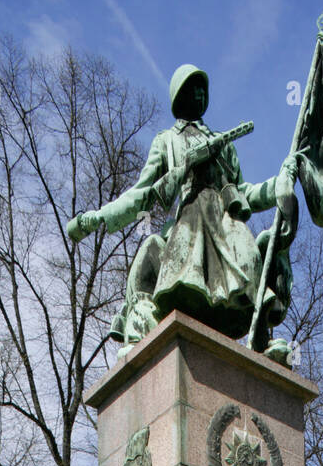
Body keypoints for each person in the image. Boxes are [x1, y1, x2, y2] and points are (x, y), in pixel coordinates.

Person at [69, 65, 296, 357]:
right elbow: (142, 194)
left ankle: (261, 337)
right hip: (190, 221)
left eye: (203, 88)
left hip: (226, 221)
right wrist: (98, 217)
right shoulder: (166, 140)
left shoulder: (224, 145)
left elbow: (245, 192)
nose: (200, 94)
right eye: (192, 88)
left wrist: (280, 183)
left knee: (251, 258)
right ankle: (143, 332)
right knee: (164, 257)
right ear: (179, 95)